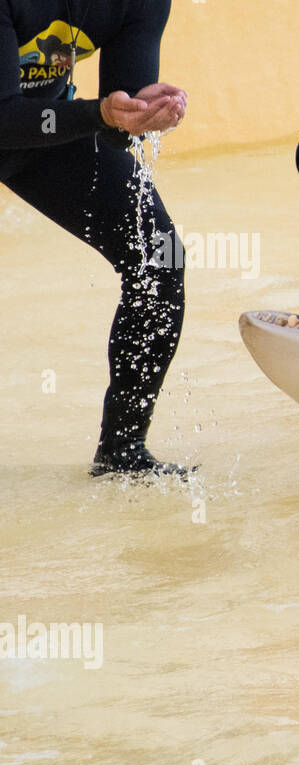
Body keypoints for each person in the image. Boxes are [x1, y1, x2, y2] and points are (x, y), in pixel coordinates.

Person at [1, 0, 190, 476]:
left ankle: (123, 451)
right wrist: (99, 114)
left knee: (158, 256)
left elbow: (112, 129)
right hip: (11, 119)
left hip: (43, 130)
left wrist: (140, 114)